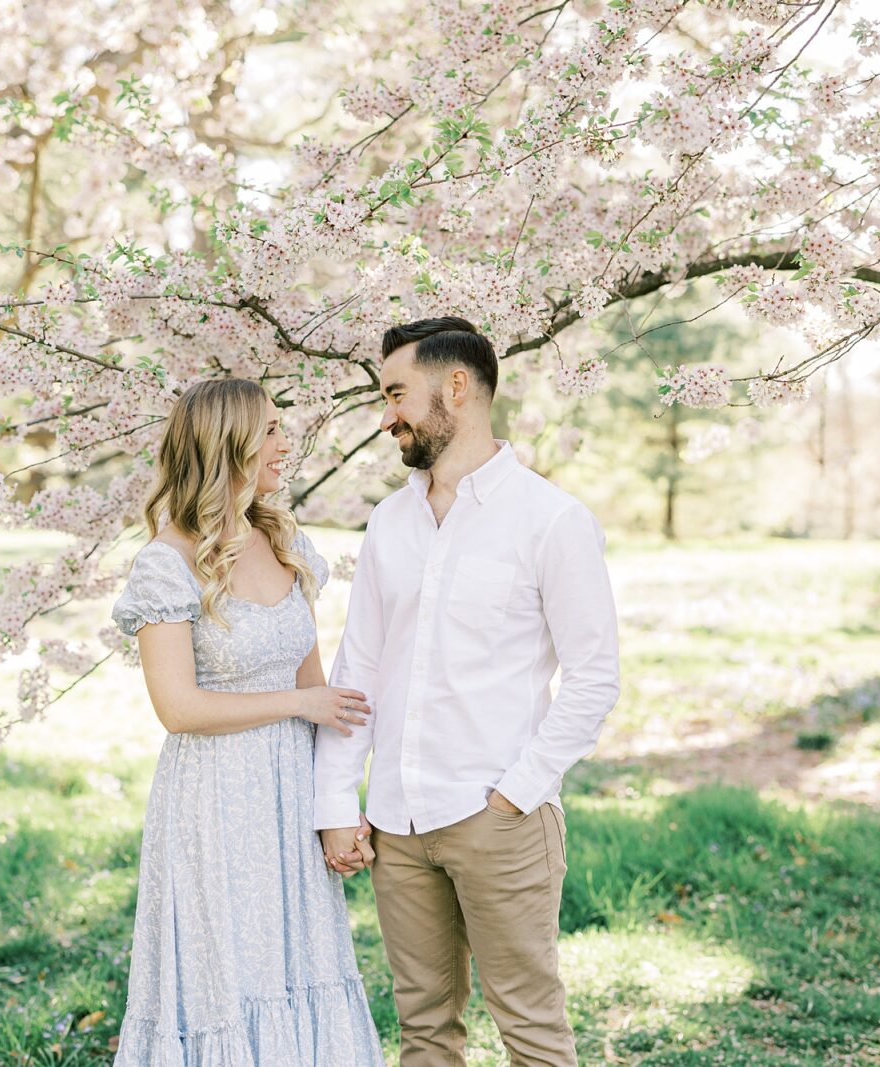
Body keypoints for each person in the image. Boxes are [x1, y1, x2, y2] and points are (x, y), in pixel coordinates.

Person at [314, 317, 621, 1066]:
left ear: (457, 387)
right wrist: (335, 803)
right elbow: (358, 670)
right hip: (395, 822)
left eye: (396, 394)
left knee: (533, 1032)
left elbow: (594, 677)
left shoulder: (551, 520)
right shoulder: (388, 522)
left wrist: (516, 792)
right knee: (423, 1031)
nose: (387, 416)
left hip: (499, 819)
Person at [109, 378, 386, 1064]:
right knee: (228, 975)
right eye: (268, 431)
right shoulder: (166, 563)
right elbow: (178, 707)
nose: (284, 443)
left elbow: (315, 684)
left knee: (301, 960)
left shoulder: (284, 541)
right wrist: (297, 705)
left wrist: (336, 810)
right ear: (223, 444)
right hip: (214, 800)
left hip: (291, 791)